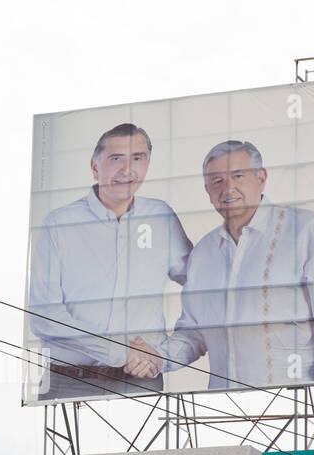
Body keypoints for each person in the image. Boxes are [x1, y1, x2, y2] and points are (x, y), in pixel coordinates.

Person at [160, 140, 314, 390]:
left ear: (261, 178)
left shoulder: (304, 230)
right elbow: (193, 333)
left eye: (238, 176)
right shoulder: (203, 253)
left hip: (293, 406)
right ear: (207, 190)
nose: (228, 188)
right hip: (222, 410)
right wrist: (153, 357)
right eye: (217, 181)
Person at [27, 123, 192, 402]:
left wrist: (165, 354)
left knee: (158, 446)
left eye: (138, 158)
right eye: (116, 159)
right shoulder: (60, 223)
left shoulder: (160, 216)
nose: (127, 169)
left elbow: (202, 287)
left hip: (142, 380)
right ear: (95, 166)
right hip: (69, 380)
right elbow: (45, 316)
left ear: (148, 164)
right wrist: (120, 352)